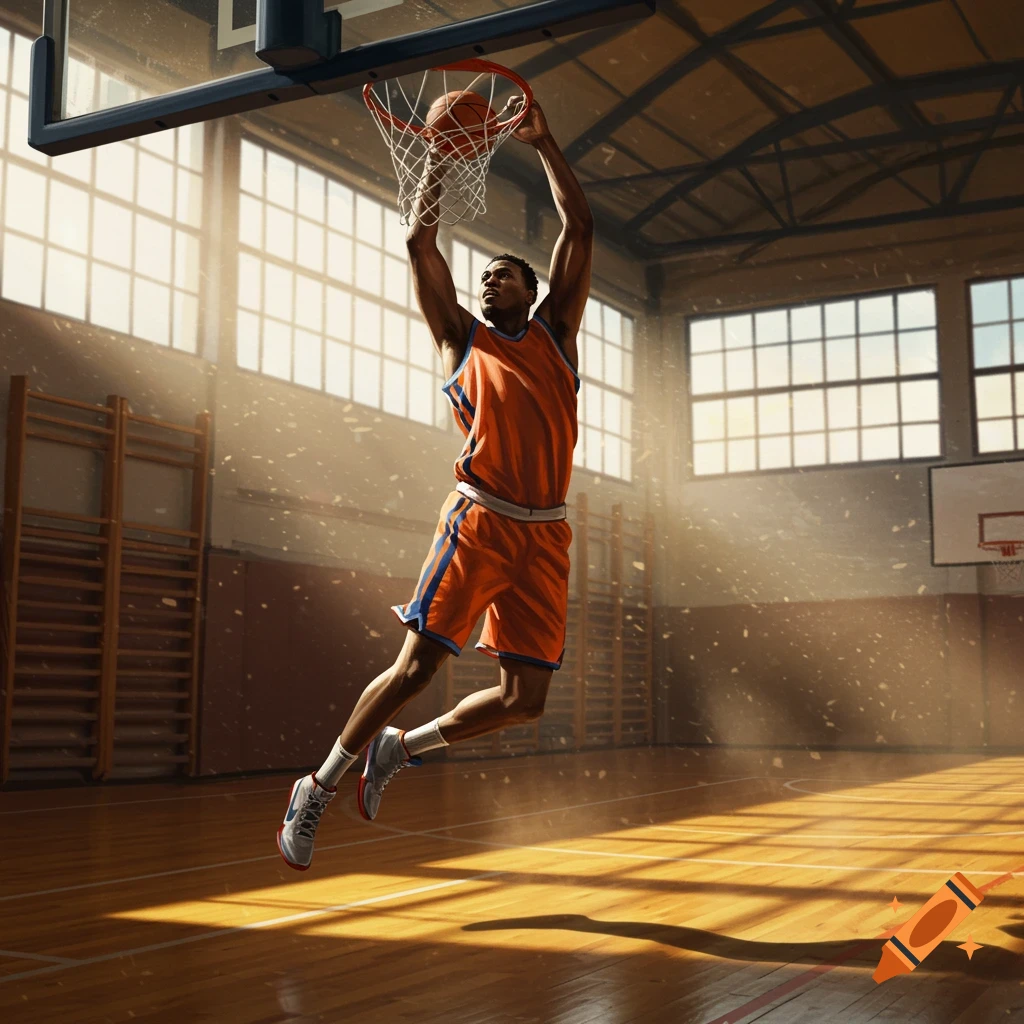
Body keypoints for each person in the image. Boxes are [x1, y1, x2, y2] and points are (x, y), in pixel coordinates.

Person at [277, 94, 594, 870]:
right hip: (481, 519)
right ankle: (316, 786)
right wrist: (438, 166)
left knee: (525, 702)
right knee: (418, 666)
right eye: (482, 276)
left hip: (547, 531)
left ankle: (401, 748)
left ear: (533, 290)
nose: (490, 282)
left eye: (505, 275)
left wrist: (547, 144)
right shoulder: (461, 339)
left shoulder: (557, 337)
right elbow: (420, 240)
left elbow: (580, 230)